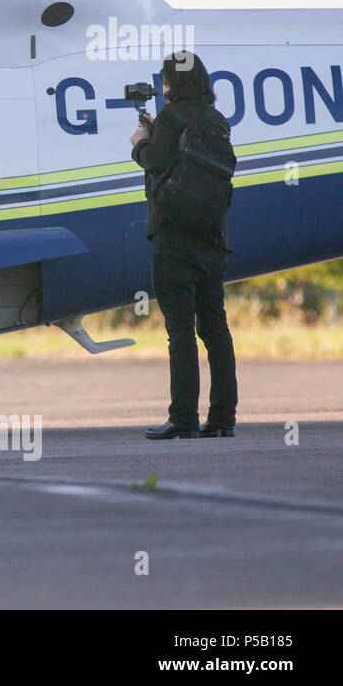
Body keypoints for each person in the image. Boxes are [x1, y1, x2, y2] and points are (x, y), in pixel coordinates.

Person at [130, 52, 238, 440]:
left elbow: (155, 161)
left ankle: (184, 419)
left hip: (174, 240)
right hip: (212, 237)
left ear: (171, 85)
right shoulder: (215, 119)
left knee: (180, 332)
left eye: (164, 81)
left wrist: (141, 142)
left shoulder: (172, 118)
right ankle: (223, 418)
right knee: (216, 328)